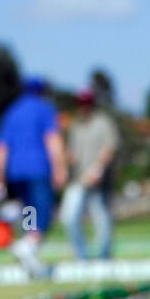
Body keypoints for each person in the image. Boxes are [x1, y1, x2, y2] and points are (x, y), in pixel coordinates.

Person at [0, 76, 67, 276]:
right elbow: (52, 140)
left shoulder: (12, 112)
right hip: (38, 169)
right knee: (44, 211)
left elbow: (0, 147)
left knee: (29, 210)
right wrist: (60, 167)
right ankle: (28, 245)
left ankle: (29, 255)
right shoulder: (44, 109)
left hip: (15, 171)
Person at [63, 89, 120, 260]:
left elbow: (110, 147)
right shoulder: (75, 125)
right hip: (79, 180)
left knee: (101, 217)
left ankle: (104, 257)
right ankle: (81, 257)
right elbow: (71, 151)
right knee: (70, 217)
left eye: (86, 103)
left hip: (99, 180)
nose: (83, 107)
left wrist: (97, 169)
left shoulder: (103, 123)